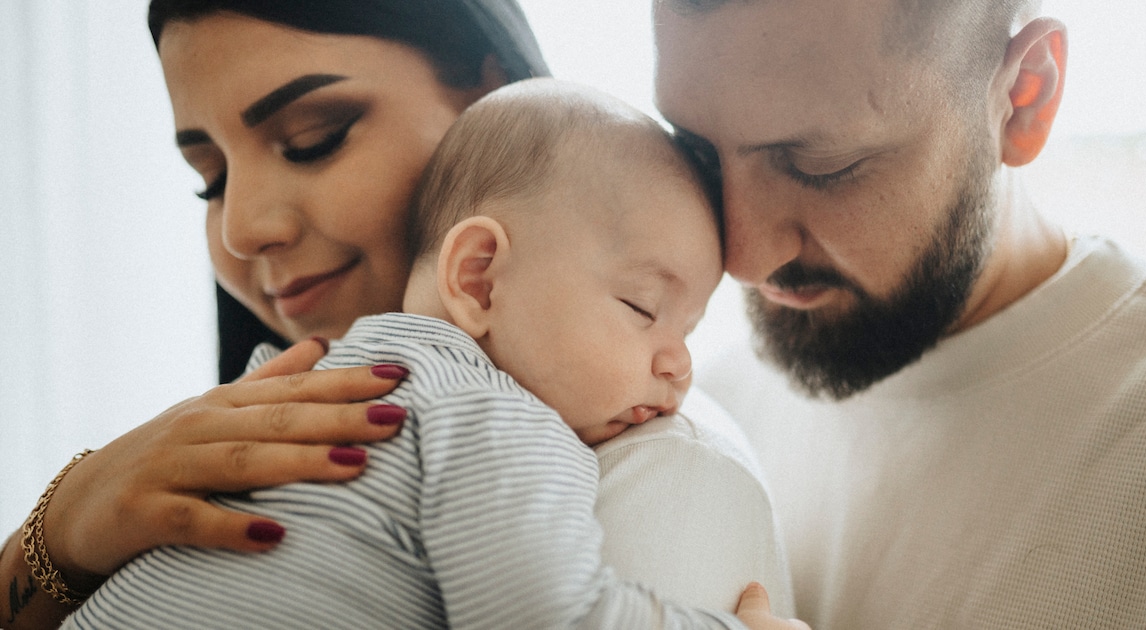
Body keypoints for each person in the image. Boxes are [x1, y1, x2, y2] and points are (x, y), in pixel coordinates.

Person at [0, 3, 790, 628]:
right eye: (207, 178)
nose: (240, 227)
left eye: (315, 137)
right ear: (473, 274)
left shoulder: (656, 467)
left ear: (490, 93)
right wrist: (58, 535)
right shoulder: (264, 415)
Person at [653, 0, 1146, 627]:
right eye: (698, 155)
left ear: (1024, 98)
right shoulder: (699, 408)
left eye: (822, 167)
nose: (743, 260)